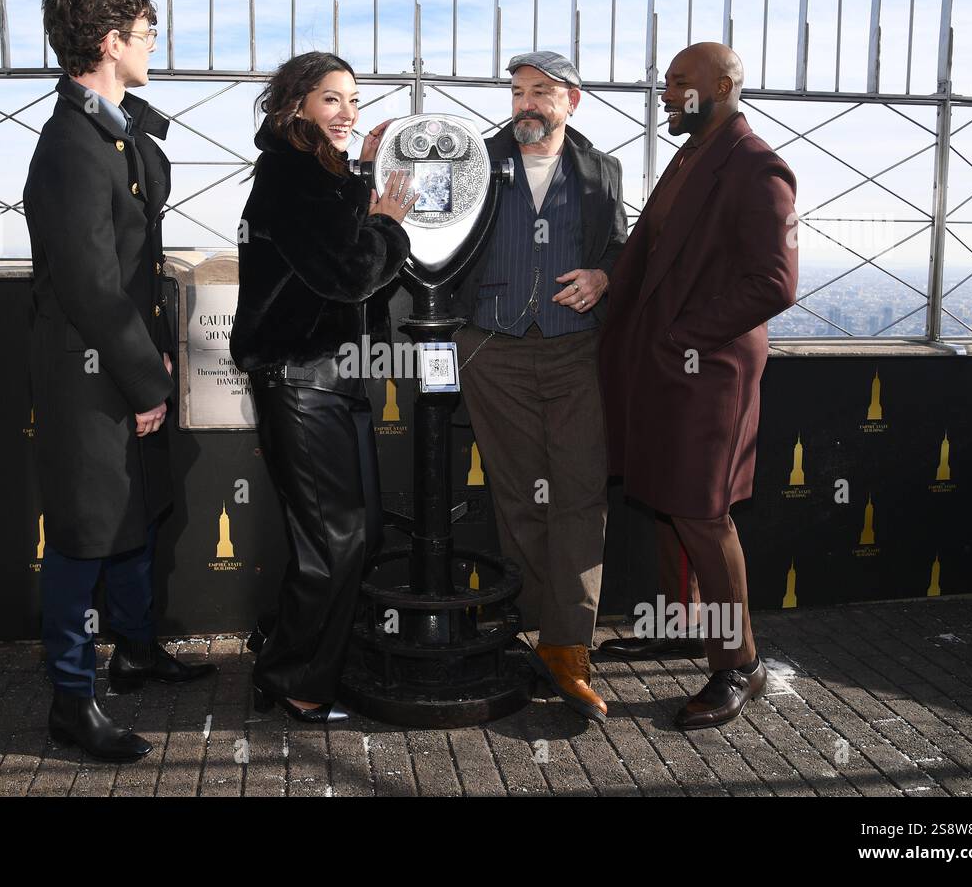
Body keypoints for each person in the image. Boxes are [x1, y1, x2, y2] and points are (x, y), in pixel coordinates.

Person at [24, 0, 213, 763]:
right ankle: (73, 700)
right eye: (144, 31)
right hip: (90, 376)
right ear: (110, 42)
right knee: (83, 536)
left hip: (125, 359)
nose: (154, 43)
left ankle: (135, 651)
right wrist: (144, 380)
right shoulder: (72, 144)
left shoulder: (109, 129)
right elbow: (92, 287)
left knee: (133, 515)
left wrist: (150, 356)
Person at [598, 42, 799, 730]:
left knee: (703, 515)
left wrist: (683, 334)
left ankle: (738, 663)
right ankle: (678, 624)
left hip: (707, 371)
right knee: (662, 501)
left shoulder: (755, 163)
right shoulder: (691, 155)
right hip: (661, 370)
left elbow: (775, 282)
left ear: (723, 84)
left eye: (679, 82)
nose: (665, 93)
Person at [230, 51, 415, 723]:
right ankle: (293, 679)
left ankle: (291, 651)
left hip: (336, 381)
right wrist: (389, 223)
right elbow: (346, 275)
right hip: (302, 382)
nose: (347, 113)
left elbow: (360, 279)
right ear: (296, 106)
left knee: (352, 534)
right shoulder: (291, 171)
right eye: (331, 99)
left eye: (354, 100)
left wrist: (370, 197)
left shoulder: (327, 174)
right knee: (336, 539)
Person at [452, 51, 629, 723]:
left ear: (571, 101)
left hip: (574, 350)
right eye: (519, 91)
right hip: (492, 348)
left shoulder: (600, 170)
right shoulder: (474, 158)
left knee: (580, 496)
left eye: (542, 92)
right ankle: (530, 635)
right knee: (519, 498)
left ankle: (569, 650)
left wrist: (603, 277)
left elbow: (617, 248)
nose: (527, 102)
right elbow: (432, 225)